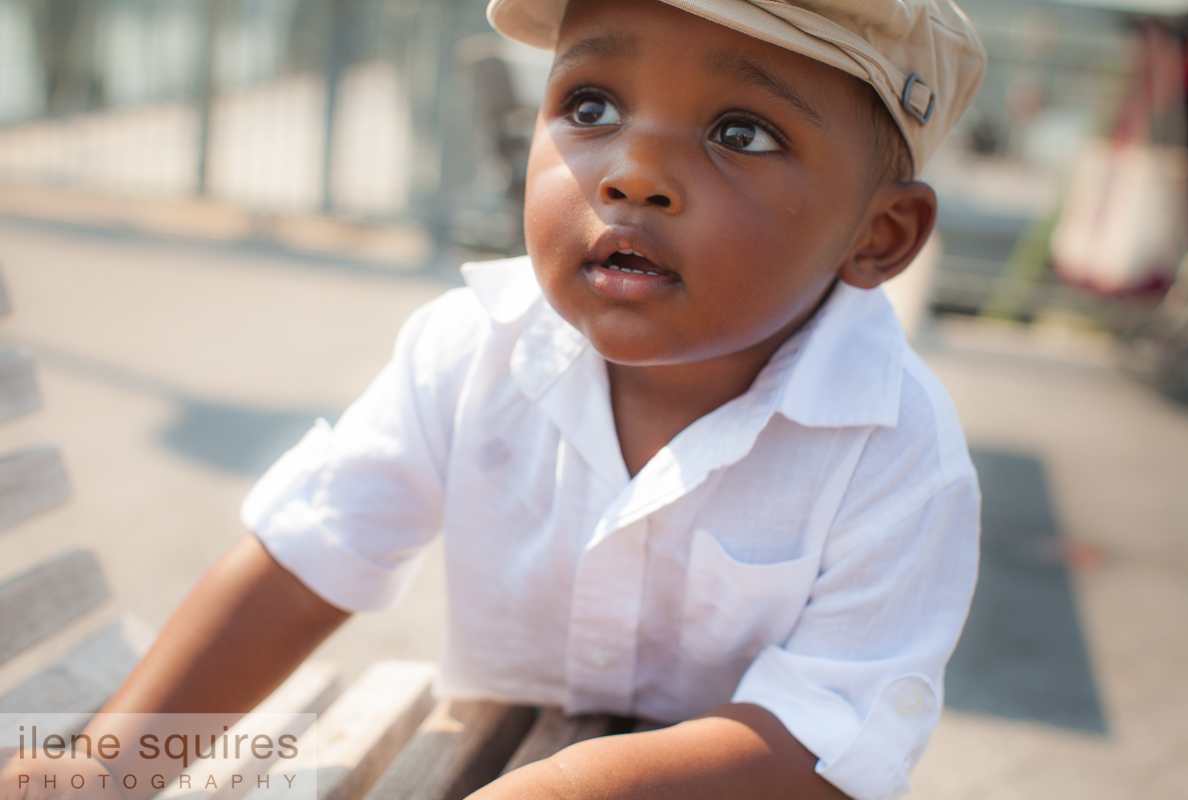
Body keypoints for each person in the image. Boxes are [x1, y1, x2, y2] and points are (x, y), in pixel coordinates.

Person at [10, 1, 988, 799]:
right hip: (499, 746)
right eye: (592, 105)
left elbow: (828, 739)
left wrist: (566, 786)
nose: (633, 171)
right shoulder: (472, 348)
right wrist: (106, 766)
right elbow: (307, 555)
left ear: (881, 234)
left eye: (741, 131)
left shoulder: (896, 451)